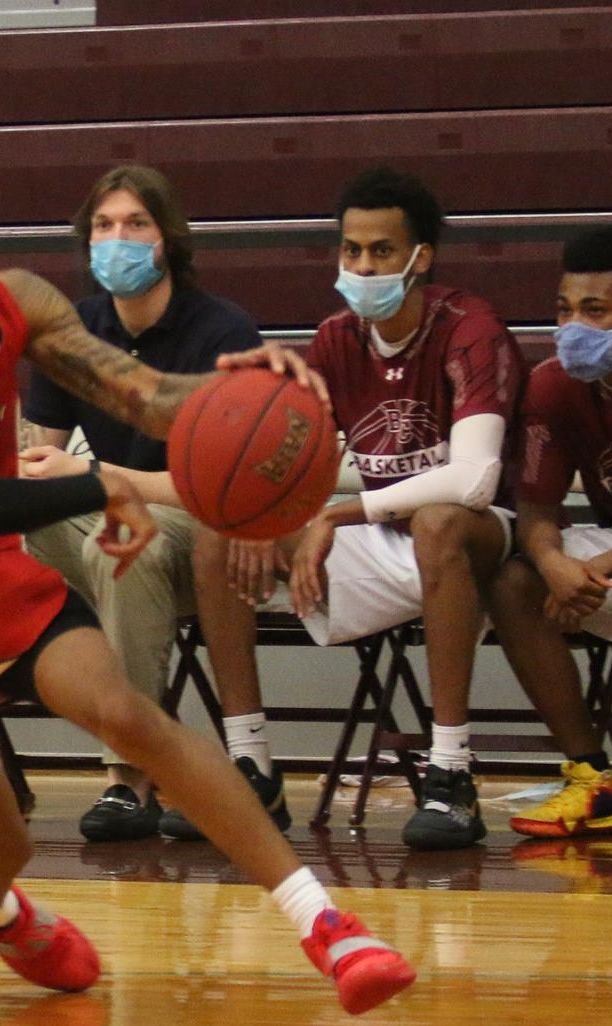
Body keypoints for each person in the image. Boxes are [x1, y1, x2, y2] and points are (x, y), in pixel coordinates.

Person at [0, 116, 413, 1014]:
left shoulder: (18, 301)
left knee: (129, 713)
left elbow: (152, 398)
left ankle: (328, 926)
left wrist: (249, 388)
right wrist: (97, 485)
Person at [187, 167, 525, 851]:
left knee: (437, 523)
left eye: (380, 251)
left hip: (479, 538)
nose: (362, 265)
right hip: (388, 537)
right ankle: (251, 765)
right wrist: (257, 515)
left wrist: (335, 517)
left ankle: (452, 772)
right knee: (217, 533)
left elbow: (476, 479)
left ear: (419, 258)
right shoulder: (340, 337)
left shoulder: (471, 329)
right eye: (351, 250)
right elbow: (294, 454)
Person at [17, 166, 263, 842]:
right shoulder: (72, 328)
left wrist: (98, 475)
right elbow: (41, 451)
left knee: (131, 546)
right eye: (103, 226)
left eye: (134, 225)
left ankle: (128, 777)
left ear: (168, 240)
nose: (115, 240)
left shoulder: (222, 330)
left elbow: (220, 487)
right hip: (94, 509)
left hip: (191, 528)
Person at [494, 228, 612, 844]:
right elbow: (536, 509)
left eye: (594, 311)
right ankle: (596, 778)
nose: (573, 324)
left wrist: (601, 569)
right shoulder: (552, 384)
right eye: (564, 309)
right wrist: (552, 562)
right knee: (514, 581)